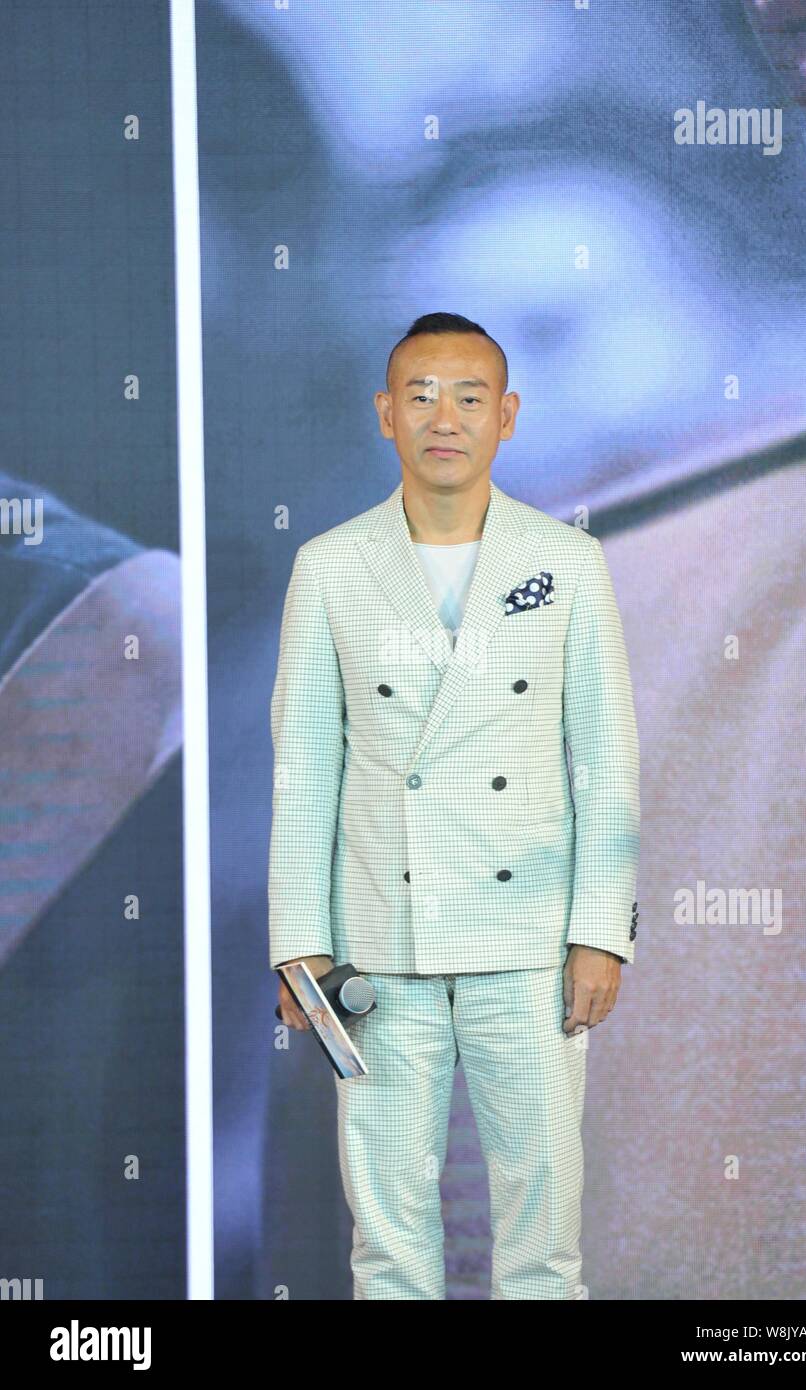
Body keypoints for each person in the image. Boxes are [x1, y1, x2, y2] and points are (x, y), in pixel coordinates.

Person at [269, 312, 640, 1300]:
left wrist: (602, 930)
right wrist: (299, 940)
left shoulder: (566, 562)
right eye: (421, 396)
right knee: (386, 1238)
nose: (445, 417)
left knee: (543, 1234)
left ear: (507, 415)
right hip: (378, 948)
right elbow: (303, 767)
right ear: (383, 413)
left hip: (529, 942)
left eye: (469, 396)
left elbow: (605, 761)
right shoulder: (329, 565)